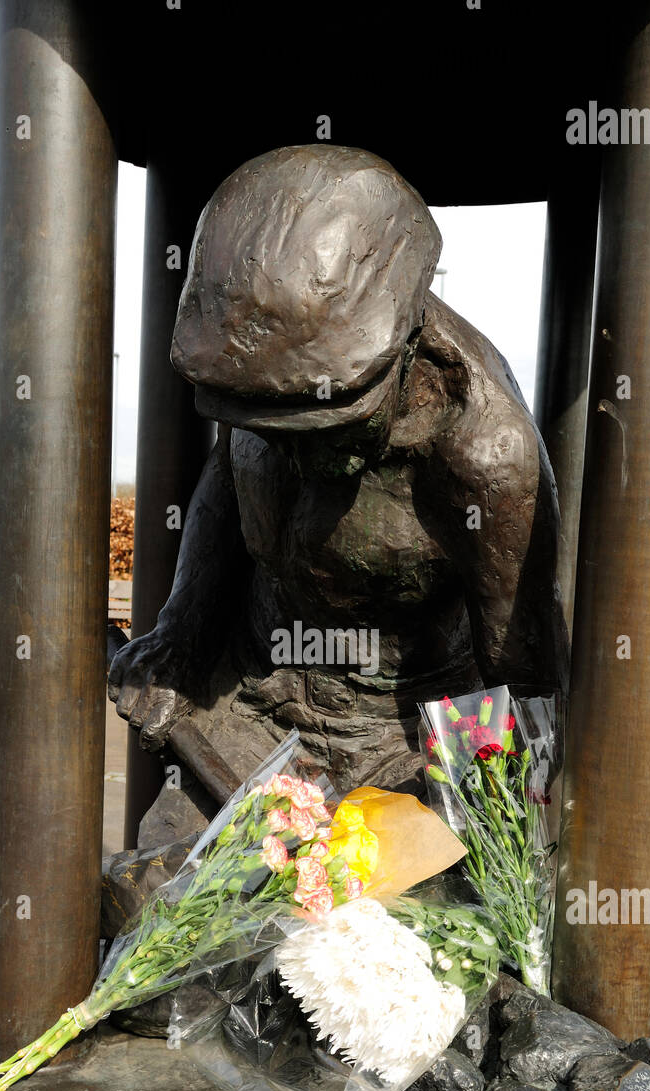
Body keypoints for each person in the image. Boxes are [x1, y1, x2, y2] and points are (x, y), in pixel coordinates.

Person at [109, 145, 568, 830]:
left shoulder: (484, 456)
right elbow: (224, 494)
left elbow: (521, 679)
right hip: (252, 706)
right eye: (271, 429)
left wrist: (486, 803)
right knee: (171, 892)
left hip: (405, 739)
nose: (288, 450)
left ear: (405, 345)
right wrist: (180, 637)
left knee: (404, 924)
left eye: (323, 426)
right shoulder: (270, 376)